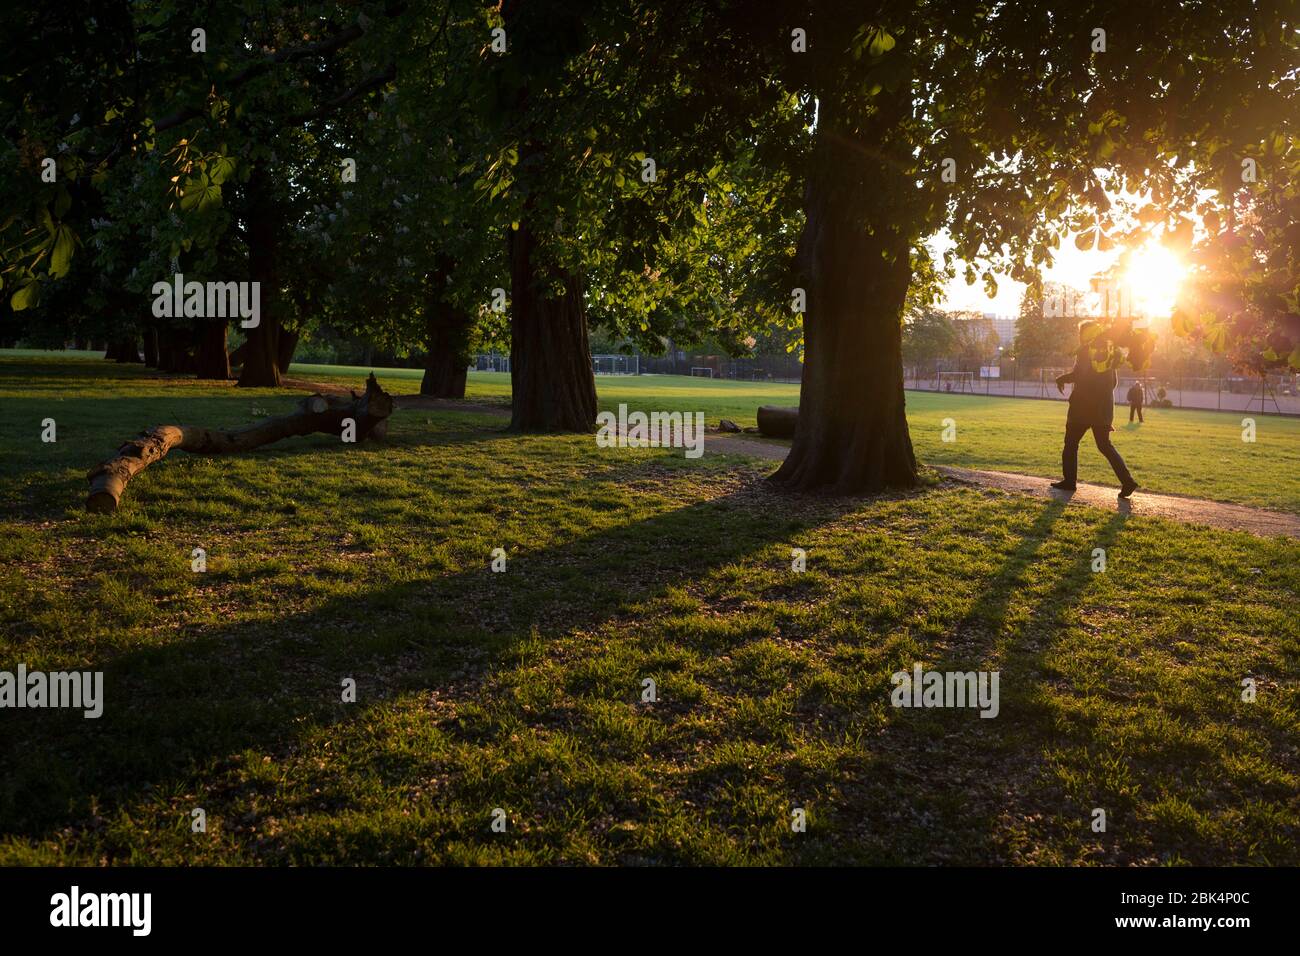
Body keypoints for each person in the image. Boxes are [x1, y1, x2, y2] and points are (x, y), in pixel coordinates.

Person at [1051, 329, 1139, 498]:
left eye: (1081, 333)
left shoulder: (1085, 351)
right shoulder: (1108, 353)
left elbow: (1079, 375)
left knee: (1070, 444)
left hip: (1082, 408)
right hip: (1103, 409)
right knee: (1105, 446)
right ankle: (1128, 482)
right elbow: (1113, 382)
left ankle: (1069, 482)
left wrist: (1061, 378)